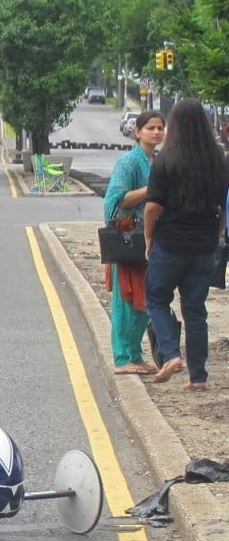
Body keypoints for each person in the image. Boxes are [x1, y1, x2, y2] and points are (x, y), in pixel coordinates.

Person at [144, 98, 229, 389]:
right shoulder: (219, 161)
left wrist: (148, 237)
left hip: (170, 243)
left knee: (156, 298)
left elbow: (153, 206)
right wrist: (215, 235)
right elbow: (222, 207)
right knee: (195, 310)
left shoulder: (165, 160)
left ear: (174, 126)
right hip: (204, 246)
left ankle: (171, 354)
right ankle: (199, 377)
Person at [103, 111, 165, 375]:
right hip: (130, 239)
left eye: (161, 128)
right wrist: (154, 190)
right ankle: (122, 357)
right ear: (137, 131)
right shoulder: (128, 163)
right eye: (151, 127)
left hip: (152, 239)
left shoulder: (160, 162)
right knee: (126, 298)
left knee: (146, 299)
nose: (156, 132)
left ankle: (136, 355)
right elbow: (117, 199)